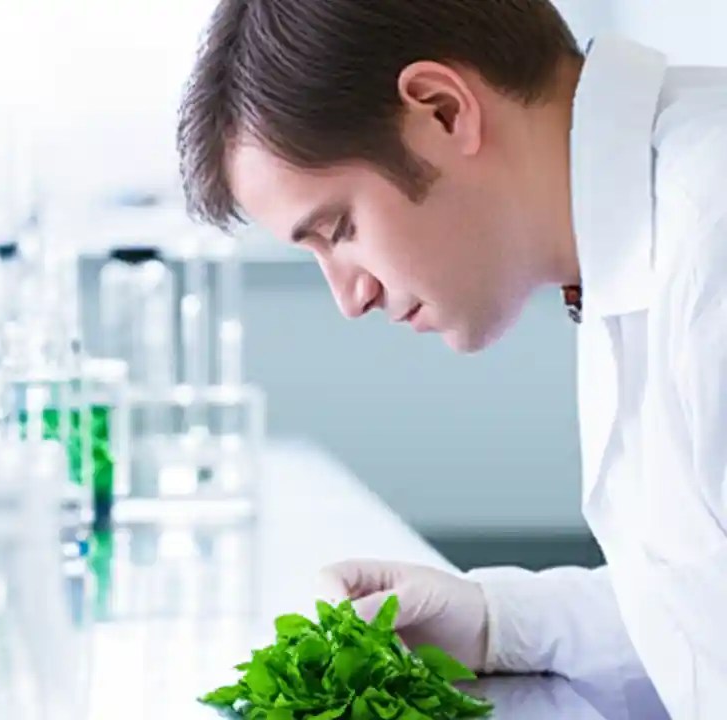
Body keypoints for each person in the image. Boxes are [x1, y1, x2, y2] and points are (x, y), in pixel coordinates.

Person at [176, 0, 727, 716]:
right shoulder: (625, 227)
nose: (349, 295)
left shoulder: (711, 231)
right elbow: (703, 610)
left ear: (441, 110)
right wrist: (494, 620)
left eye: (340, 228)